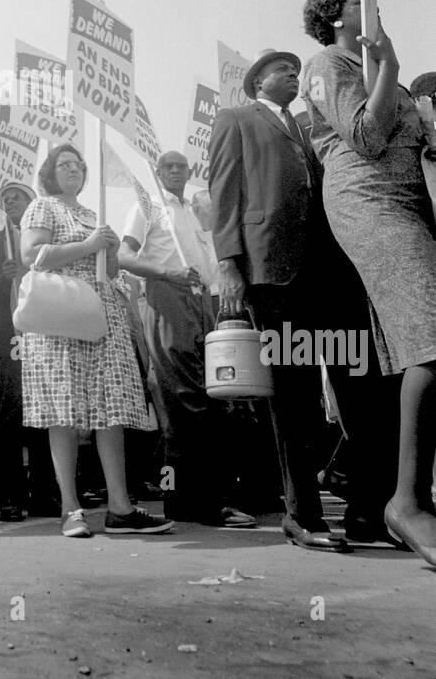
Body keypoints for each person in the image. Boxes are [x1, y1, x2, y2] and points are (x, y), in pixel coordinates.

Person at [301, 0, 436, 565]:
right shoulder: (326, 62)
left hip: (413, 205)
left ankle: (406, 498)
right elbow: (365, 134)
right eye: (362, 1)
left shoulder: (387, 75)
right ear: (335, 18)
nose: (374, 6)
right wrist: (391, 65)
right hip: (370, 204)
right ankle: (406, 504)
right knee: (430, 343)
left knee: (420, 344)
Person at [209, 50, 348, 553]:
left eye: (296, 69)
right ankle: (302, 514)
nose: (294, 74)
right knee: (291, 394)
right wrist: (228, 263)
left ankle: (358, 506)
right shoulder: (237, 119)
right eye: (282, 69)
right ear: (258, 81)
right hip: (271, 272)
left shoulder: (309, 127)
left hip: (322, 270)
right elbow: (223, 191)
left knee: (325, 394)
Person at [19, 142, 173, 539]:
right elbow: (31, 255)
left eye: (78, 164)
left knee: (111, 406)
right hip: (61, 316)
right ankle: (70, 507)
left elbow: (111, 264)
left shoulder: (90, 213)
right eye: (64, 164)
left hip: (103, 315)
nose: (73, 169)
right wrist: (89, 246)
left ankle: (120, 506)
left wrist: (112, 259)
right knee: (64, 409)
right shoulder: (42, 206)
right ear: (50, 173)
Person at [118, 152, 255, 529]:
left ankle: (186, 500)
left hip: (199, 300)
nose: (176, 171)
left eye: (182, 166)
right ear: (157, 173)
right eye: (169, 167)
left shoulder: (190, 213)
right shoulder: (147, 207)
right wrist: (167, 271)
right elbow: (123, 255)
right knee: (184, 402)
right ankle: (195, 501)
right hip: (166, 296)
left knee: (205, 401)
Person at [0, 182, 37, 522]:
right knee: (10, 412)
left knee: (46, 413)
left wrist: (30, 272)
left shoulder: (44, 237)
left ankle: (46, 492)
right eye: (6, 199)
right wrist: (3, 279)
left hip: (41, 331)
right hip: (7, 334)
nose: (11, 202)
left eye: (18, 197)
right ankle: (10, 496)